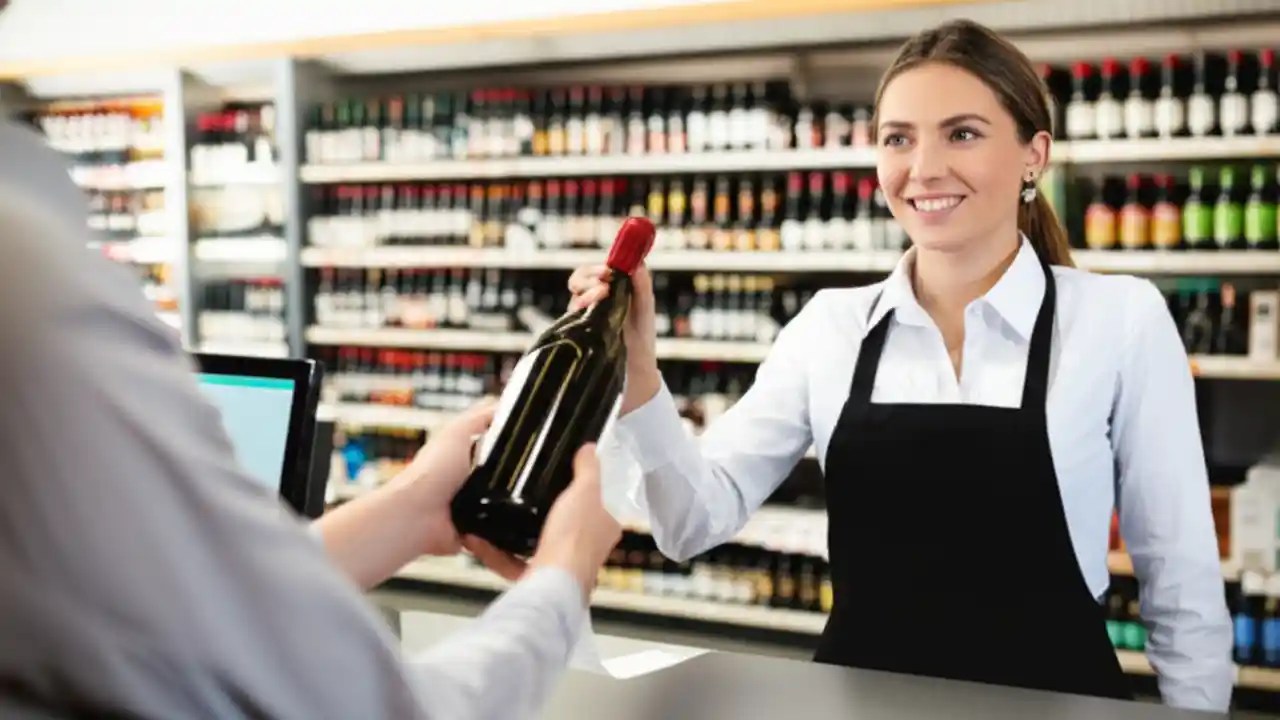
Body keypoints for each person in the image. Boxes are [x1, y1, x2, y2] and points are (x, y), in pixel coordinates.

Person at [574, 19, 1232, 712]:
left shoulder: (1119, 319)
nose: (924, 168)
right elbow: (689, 525)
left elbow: (1180, 582)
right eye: (898, 139)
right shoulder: (831, 328)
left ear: (1034, 155)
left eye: (962, 133)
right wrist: (639, 371)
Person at [0, 119, 620, 719]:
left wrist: (413, 507)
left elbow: (201, 605)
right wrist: (562, 579)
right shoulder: (28, 283)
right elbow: (380, 709)